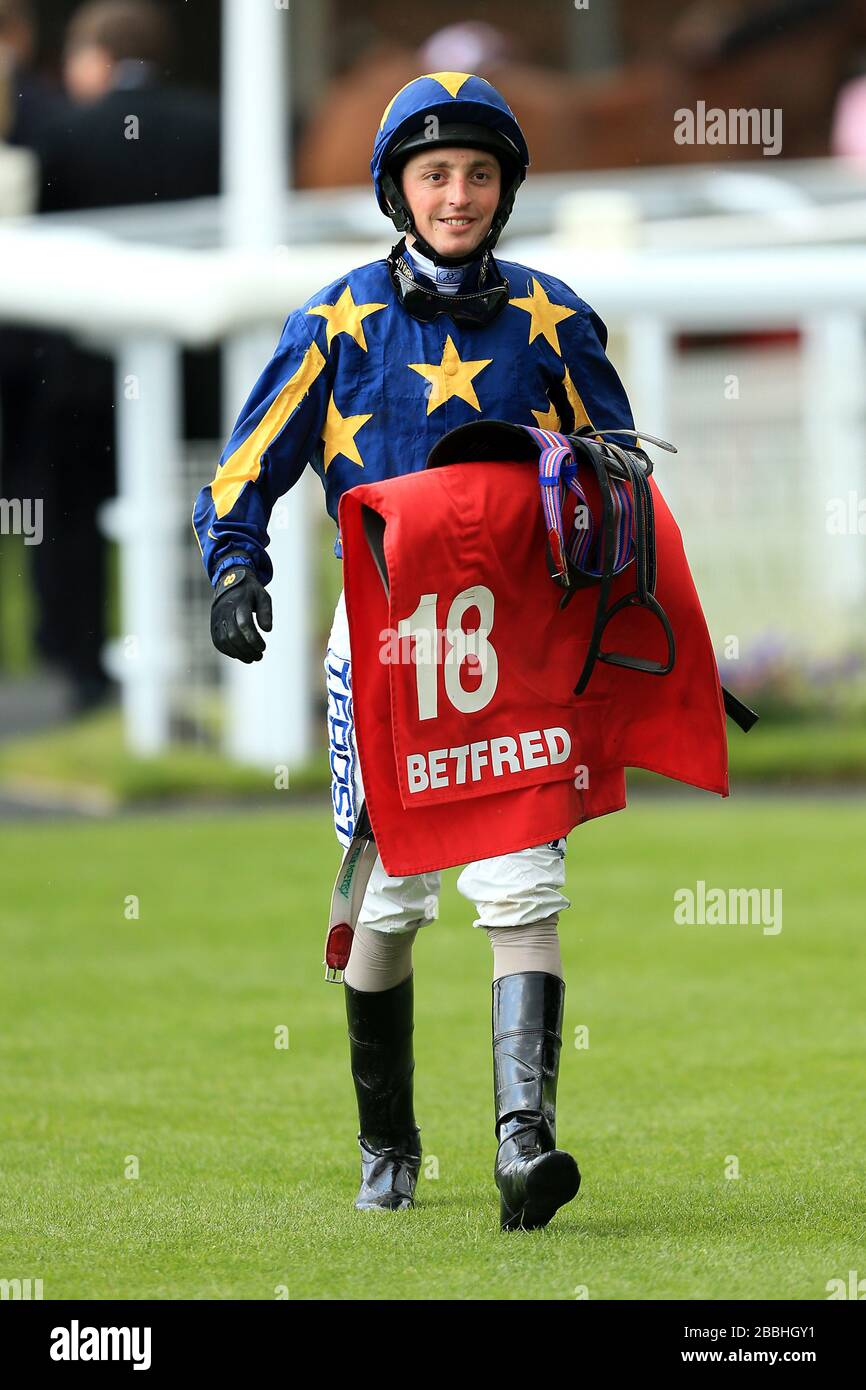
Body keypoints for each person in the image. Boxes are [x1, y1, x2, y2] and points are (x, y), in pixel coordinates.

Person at [193, 72, 641, 1231]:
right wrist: (237, 566)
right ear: (397, 188)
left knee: (522, 886)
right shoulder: (336, 319)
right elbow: (249, 463)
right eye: (435, 175)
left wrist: (601, 537)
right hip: (387, 649)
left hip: (519, 647)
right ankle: (388, 1142)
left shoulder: (553, 317)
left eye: (478, 175)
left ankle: (522, 1146)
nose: (457, 195)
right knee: (386, 909)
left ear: (506, 190)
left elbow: (623, 473)